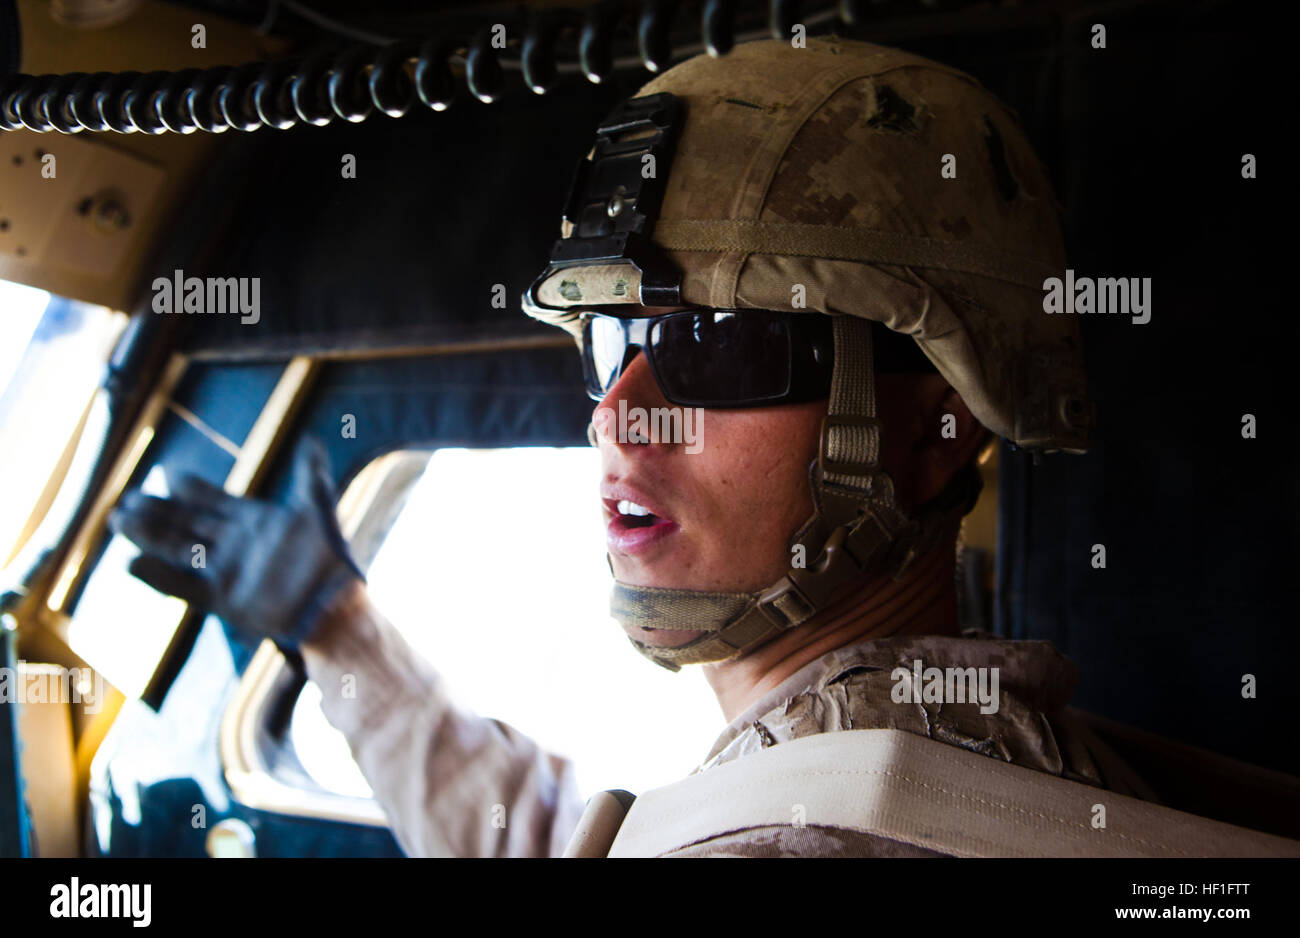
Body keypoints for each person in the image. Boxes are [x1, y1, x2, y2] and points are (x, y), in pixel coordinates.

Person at [110, 35, 1159, 858]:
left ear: (934, 432)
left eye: (718, 344)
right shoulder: (935, 757)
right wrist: (338, 631)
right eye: (612, 339)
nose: (616, 413)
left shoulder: (843, 810)